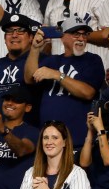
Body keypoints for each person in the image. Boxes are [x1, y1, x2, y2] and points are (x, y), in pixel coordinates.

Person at [24, 20, 103, 151]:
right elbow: (29, 78)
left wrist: (57, 75)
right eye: (76, 34)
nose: (81, 39)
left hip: (77, 141)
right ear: (63, 36)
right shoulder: (52, 60)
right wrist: (35, 49)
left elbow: (88, 92)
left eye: (84, 35)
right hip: (48, 141)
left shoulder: (92, 60)